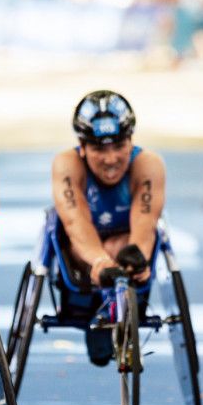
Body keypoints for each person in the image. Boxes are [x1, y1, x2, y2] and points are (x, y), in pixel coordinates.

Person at [50, 90, 166, 365]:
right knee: (76, 236)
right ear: (82, 145)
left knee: (128, 247)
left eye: (118, 145)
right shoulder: (67, 164)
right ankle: (102, 309)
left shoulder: (148, 164)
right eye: (100, 148)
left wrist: (136, 255)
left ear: (131, 141)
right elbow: (75, 222)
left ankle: (120, 306)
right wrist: (100, 261)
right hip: (81, 258)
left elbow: (146, 221)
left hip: (125, 245)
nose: (111, 158)